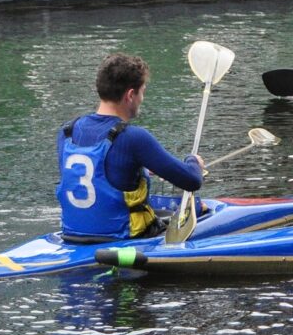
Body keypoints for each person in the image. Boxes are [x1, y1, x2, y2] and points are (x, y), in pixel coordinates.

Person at [57, 53, 204, 242]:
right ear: (130, 95)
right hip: (121, 239)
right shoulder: (133, 137)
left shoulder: (67, 132)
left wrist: (138, 168)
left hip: (72, 237)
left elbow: (98, 174)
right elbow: (191, 180)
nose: (142, 98)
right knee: (198, 213)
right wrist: (193, 161)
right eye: (142, 91)